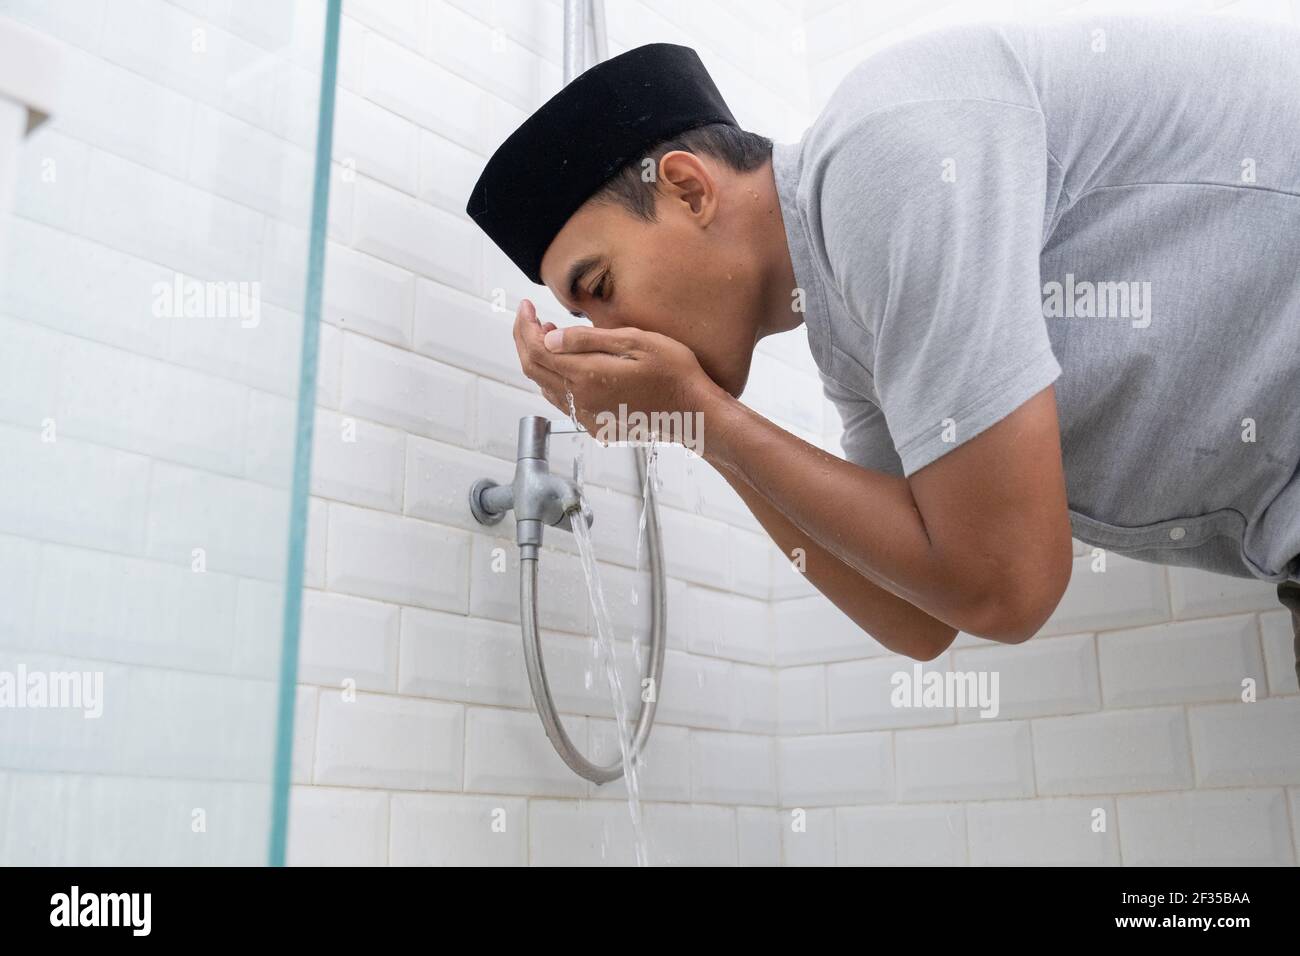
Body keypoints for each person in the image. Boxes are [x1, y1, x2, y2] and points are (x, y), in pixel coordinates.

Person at [465, 19, 1300, 675]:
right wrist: (694, 425)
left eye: (600, 288)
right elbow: (920, 618)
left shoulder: (884, 153)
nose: (616, 337)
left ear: (686, 188)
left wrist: (704, 415)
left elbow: (1008, 585)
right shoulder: (851, 332)